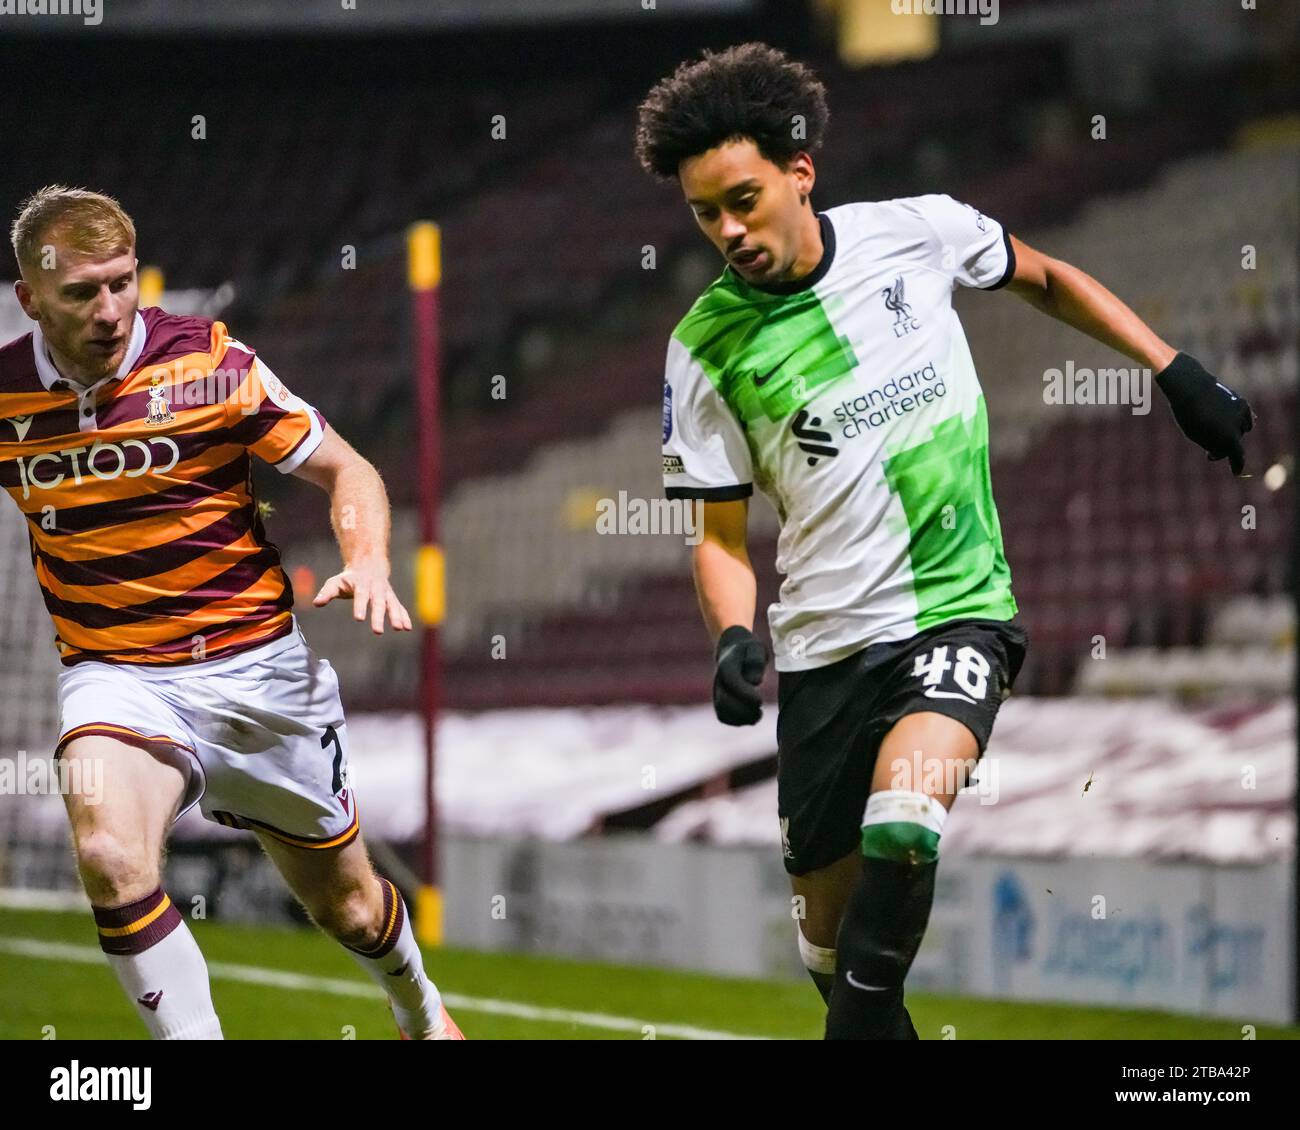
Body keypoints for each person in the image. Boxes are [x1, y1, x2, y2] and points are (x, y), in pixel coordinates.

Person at [635, 44, 1253, 1039]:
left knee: (906, 821)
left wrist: (1171, 368)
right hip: (822, 657)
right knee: (832, 957)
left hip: (954, 617)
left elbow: (1043, 276)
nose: (729, 229)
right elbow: (717, 535)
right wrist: (728, 633)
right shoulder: (702, 348)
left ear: (800, 170)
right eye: (706, 212)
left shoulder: (916, 231)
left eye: (743, 198)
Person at [2, 185, 463, 1040]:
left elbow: (345, 468)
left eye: (121, 282)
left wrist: (366, 558)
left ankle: (420, 1010)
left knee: (354, 910)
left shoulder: (212, 364)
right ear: (29, 299)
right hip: (119, 675)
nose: (108, 310)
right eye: (80, 293)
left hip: (259, 674)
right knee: (107, 850)